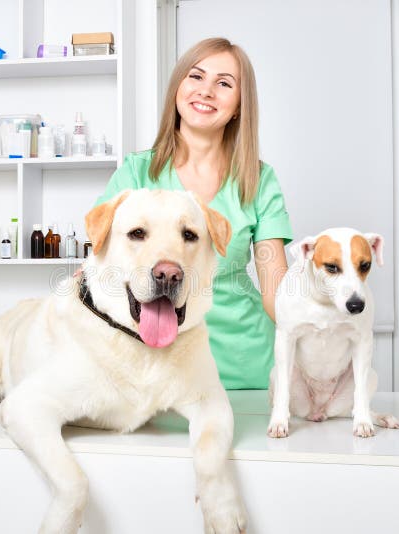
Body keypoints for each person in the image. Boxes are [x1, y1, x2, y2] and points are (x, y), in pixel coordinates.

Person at [95, 37, 292, 389]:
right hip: (150, 372)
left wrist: (316, 354)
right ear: (177, 89)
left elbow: (275, 291)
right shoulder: (135, 173)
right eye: (196, 77)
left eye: (224, 83)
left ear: (238, 107)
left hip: (245, 370)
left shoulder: (259, 180)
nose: (206, 91)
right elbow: (97, 267)